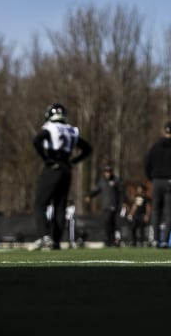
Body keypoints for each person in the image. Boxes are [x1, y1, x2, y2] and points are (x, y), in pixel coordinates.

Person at [31, 102, 92, 250]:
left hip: (53, 168)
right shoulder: (71, 130)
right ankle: (56, 240)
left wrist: (47, 159)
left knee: (40, 204)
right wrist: (73, 161)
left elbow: (37, 141)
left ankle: (45, 236)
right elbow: (88, 149)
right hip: (66, 169)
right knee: (60, 206)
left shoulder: (50, 127)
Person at [143, 120, 171, 249]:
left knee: (156, 211)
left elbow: (147, 164)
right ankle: (165, 240)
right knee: (169, 213)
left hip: (156, 181)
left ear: (164, 131)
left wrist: (152, 178)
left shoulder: (155, 147)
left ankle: (156, 239)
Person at [85, 164, 123, 248]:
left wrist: (123, 203)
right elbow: (96, 190)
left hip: (116, 207)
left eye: (109, 172)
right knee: (107, 224)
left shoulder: (116, 180)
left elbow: (122, 192)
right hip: (106, 207)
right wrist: (89, 196)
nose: (108, 174)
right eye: (106, 172)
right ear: (104, 173)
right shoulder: (102, 182)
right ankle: (108, 241)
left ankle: (116, 241)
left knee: (116, 224)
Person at [126, 183, 150, 247]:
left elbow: (148, 207)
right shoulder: (136, 197)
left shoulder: (146, 198)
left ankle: (142, 242)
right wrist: (131, 213)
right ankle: (134, 242)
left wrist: (147, 215)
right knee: (133, 228)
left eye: (140, 188)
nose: (139, 190)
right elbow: (134, 206)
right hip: (136, 215)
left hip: (142, 215)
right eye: (138, 189)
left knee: (142, 229)